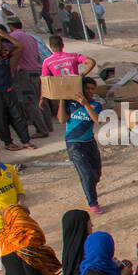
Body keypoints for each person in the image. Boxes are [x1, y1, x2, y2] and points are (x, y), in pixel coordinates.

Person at [55, 75, 104, 213]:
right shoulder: (70, 104)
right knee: (86, 173)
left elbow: (97, 120)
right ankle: (93, 202)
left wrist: (86, 104)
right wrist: (61, 99)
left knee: (96, 173)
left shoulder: (96, 105)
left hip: (89, 142)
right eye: (87, 88)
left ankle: (90, 189)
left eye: (92, 89)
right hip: (74, 143)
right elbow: (61, 119)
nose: (89, 91)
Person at [3, 20, 53, 139]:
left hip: (26, 74)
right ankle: (48, 126)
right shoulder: (31, 37)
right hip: (38, 71)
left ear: (10, 27)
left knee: (30, 102)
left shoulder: (14, 37)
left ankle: (42, 129)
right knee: (42, 100)